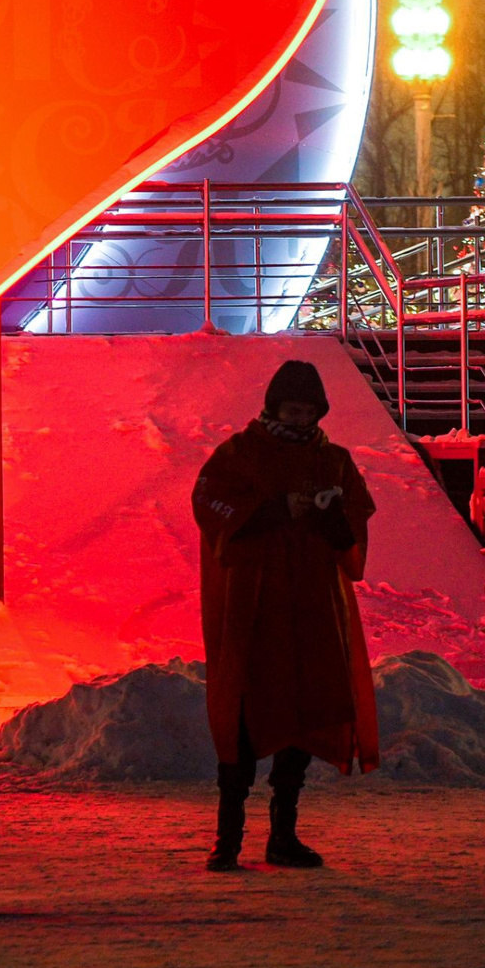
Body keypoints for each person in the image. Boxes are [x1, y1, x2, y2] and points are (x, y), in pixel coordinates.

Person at [193, 357, 378, 872]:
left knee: (301, 714)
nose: (300, 420)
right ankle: (228, 837)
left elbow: (353, 528)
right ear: (274, 406)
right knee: (249, 712)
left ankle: (281, 834)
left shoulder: (335, 460)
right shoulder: (240, 453)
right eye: (292, 410)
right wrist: (275, 511)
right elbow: (209, 503)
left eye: (308, 411)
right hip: (256, 605)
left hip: (312, 606)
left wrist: (330, 520)